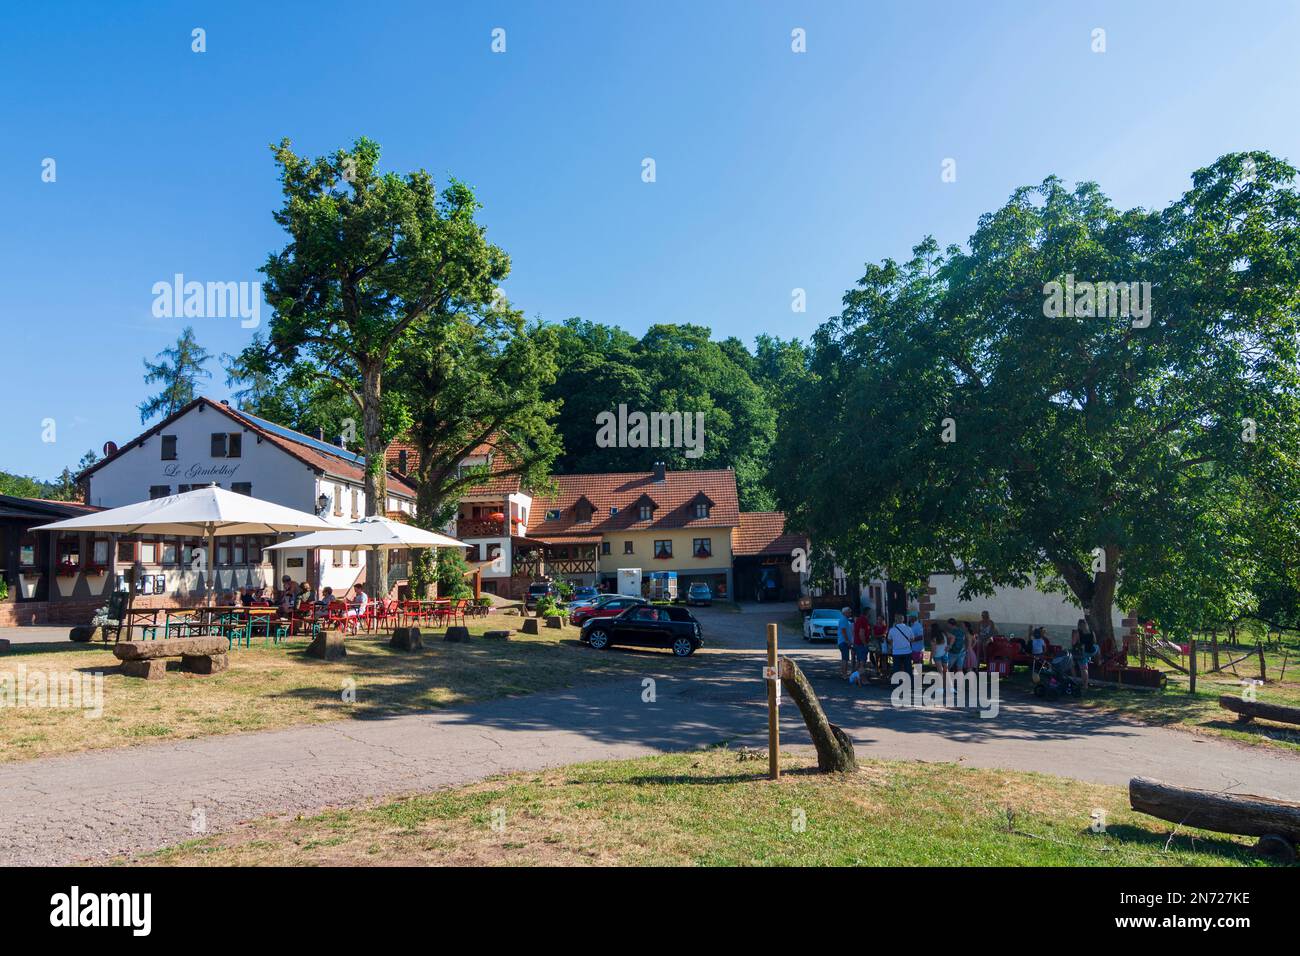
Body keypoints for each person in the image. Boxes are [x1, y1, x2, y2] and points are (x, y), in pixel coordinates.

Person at [888, 613, 914, 678]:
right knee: (908, 669)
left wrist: (894, 644)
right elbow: (912, 639)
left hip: (896, 652)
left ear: (896, 620)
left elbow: (889, 640)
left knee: (896, 669)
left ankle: (896, 684)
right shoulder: (909, 628)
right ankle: (910, 683)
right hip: (907, 651)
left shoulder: (892, 630)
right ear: (903, 620)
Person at [853, 608, 872, 679]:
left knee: (858, 661)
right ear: (868, 613)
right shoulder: (863, 620)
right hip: (861, 644)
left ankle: (855, 678)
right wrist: (865, 643)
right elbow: (861, 633)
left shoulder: (860, 619)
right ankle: (862, 679)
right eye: (870, 612)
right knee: (862, 662)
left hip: (857, 643)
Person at [837, 607, 854, 679]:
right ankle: (844, 674)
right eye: (849, 612)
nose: (850, 614)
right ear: (845, 613)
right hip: (843, 642)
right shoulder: (843, 620)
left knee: (845, 658)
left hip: (843, 641)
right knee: (845, 658)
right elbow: (843, 631)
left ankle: (843, 673)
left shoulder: (845, 620)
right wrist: (847, 641)